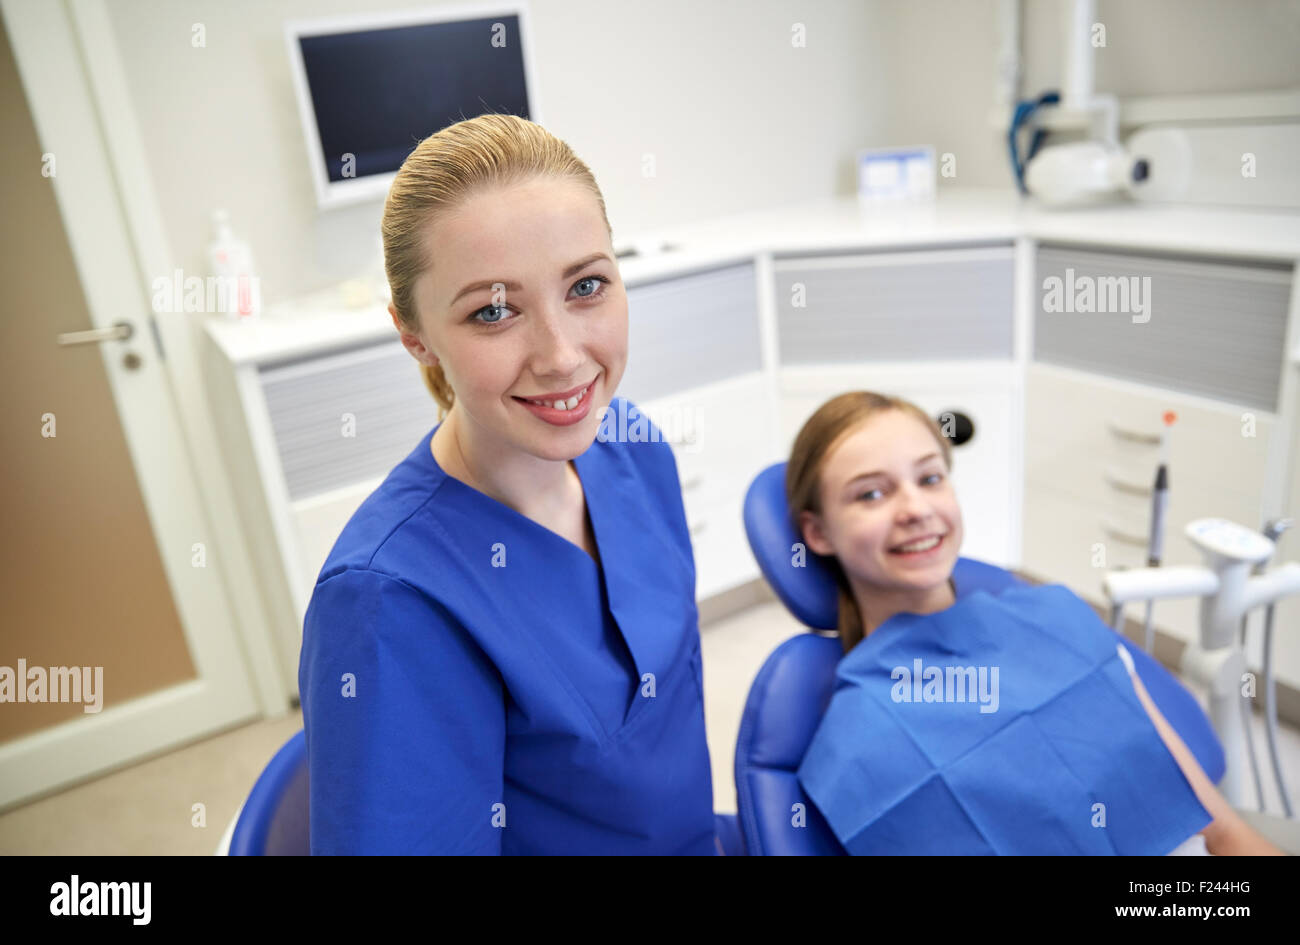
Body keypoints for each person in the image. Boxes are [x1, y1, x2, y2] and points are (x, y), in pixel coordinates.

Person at [298, 114, 716, 854]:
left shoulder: (633, 449)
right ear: (413, 333)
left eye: (586, 285)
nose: (561, 357)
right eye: (494, 310)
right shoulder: (391, 602)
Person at [786, 390, 1282, 855]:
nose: (915, 509)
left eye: (930, 478)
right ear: (817, 531)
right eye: (871, 495)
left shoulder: (1060, 621)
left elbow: (1221, 826)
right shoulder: (854, 745)